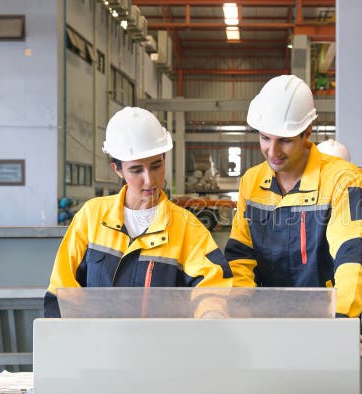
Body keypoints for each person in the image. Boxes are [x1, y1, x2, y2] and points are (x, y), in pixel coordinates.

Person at [44, 107, 233, 318]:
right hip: (98, 345)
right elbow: (62, 289)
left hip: (158, 347)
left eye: (156, 166)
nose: (150, 180)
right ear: (117, 169)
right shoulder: (91, 217)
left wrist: (213, 315)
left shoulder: (187, 228)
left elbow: (213, 287)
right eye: (136, 170)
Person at [225, 75, 362, 318]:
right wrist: (240, 305)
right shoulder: (251, 182)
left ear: (307, 133)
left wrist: (342, 316)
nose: (272, 152)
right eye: (265, 138)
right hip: (264, 318)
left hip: (325, 317)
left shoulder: (343, 179)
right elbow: (241, 253)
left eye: (284, 141)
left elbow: (352, 253)